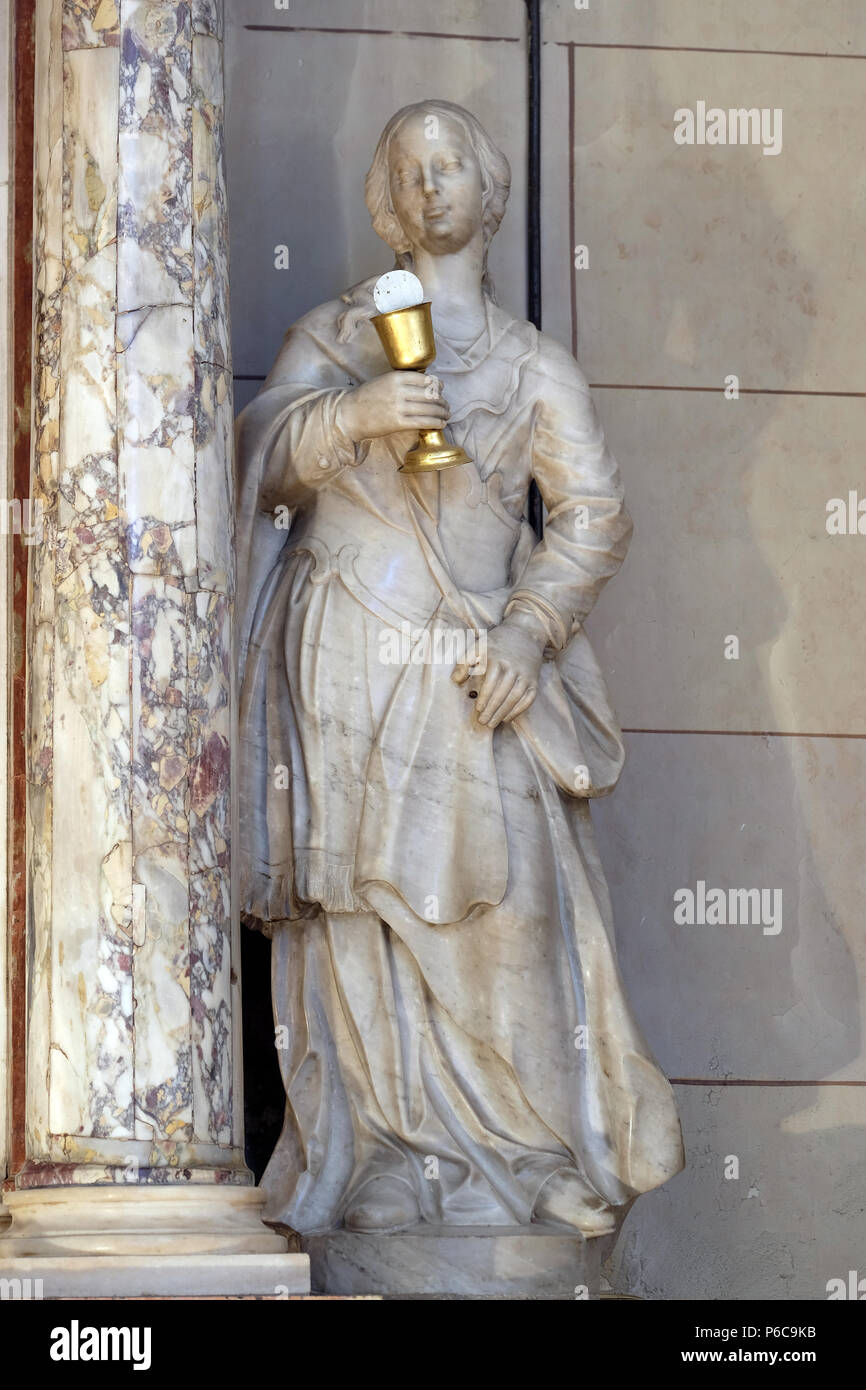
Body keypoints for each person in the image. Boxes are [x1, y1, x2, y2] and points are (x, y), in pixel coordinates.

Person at [237, 100, 684, 1236]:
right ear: (387, 201)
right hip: (345, 647)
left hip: (473, 663)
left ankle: (533, 1152)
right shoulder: (335, 334)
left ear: (490, 192)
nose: (430, 185)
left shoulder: (533, 365)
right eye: (409, 169)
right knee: (358, 914)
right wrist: (353, 415)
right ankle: (386, 1159)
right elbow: (254, 467)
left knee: (508, 912)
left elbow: (592, 516)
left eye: (450, 166)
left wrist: (529, 632)